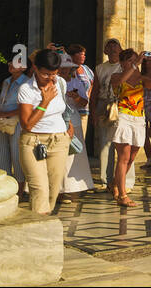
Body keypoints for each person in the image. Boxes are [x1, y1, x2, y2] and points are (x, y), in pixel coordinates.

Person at [17, 48, 75, 215]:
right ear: (35, 68)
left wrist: (68, 123)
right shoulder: (26, 89)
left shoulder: (61, 83)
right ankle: (39, 230)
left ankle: (44, 221)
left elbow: (62, 108)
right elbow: (27, 124)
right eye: (45, 74)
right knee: (39, 189)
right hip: (33, 141)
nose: (50, 78)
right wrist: (45, 101)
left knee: (52, 189)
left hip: (58, 141)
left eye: (54, 74)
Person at [110, 49, 147, 207]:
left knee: (132, 158)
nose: (134, 63)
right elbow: (119, 83)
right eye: (130, 61)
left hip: (139, 118)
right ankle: (122, 195)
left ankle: (115, 183)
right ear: (122, 62)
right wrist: (135, 64)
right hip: (124, 116)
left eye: (135, 60)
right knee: (123, 158)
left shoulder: (140, 77)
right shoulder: (116, 76)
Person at [60, 51, 94, 197]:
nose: (64, 70)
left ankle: (74, 188)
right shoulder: (52, 81)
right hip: (57, 122)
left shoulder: (76, 81)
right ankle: (59, 190)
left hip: (73, 120)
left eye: (67, 68)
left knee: (75, 156)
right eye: (62, 68)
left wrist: (77, 97)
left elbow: (85, 102)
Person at [0, 59, 28, 195]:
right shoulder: (6, 81)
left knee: (16, 154)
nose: (11, 65)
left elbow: (26, 106)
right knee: (1, 153)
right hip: (2, 120)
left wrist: (7, 114)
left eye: (16, 63)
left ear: (23, 67)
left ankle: (20, 189)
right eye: (10, 63)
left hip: (17, 122)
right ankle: (5, 186)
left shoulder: (27, 82)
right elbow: (2, 101)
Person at [94, 38, 125, 188]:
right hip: (104, 104)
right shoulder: (100, 68)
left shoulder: (124, 67)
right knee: (105, 143)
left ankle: (125, 180)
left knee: (124, 142)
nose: (113, 49)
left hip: (120, 105)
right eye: (110, 46)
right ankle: (106, 179)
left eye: (115, 46)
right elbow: (95, 90)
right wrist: (94, 110)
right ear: (105, 50)